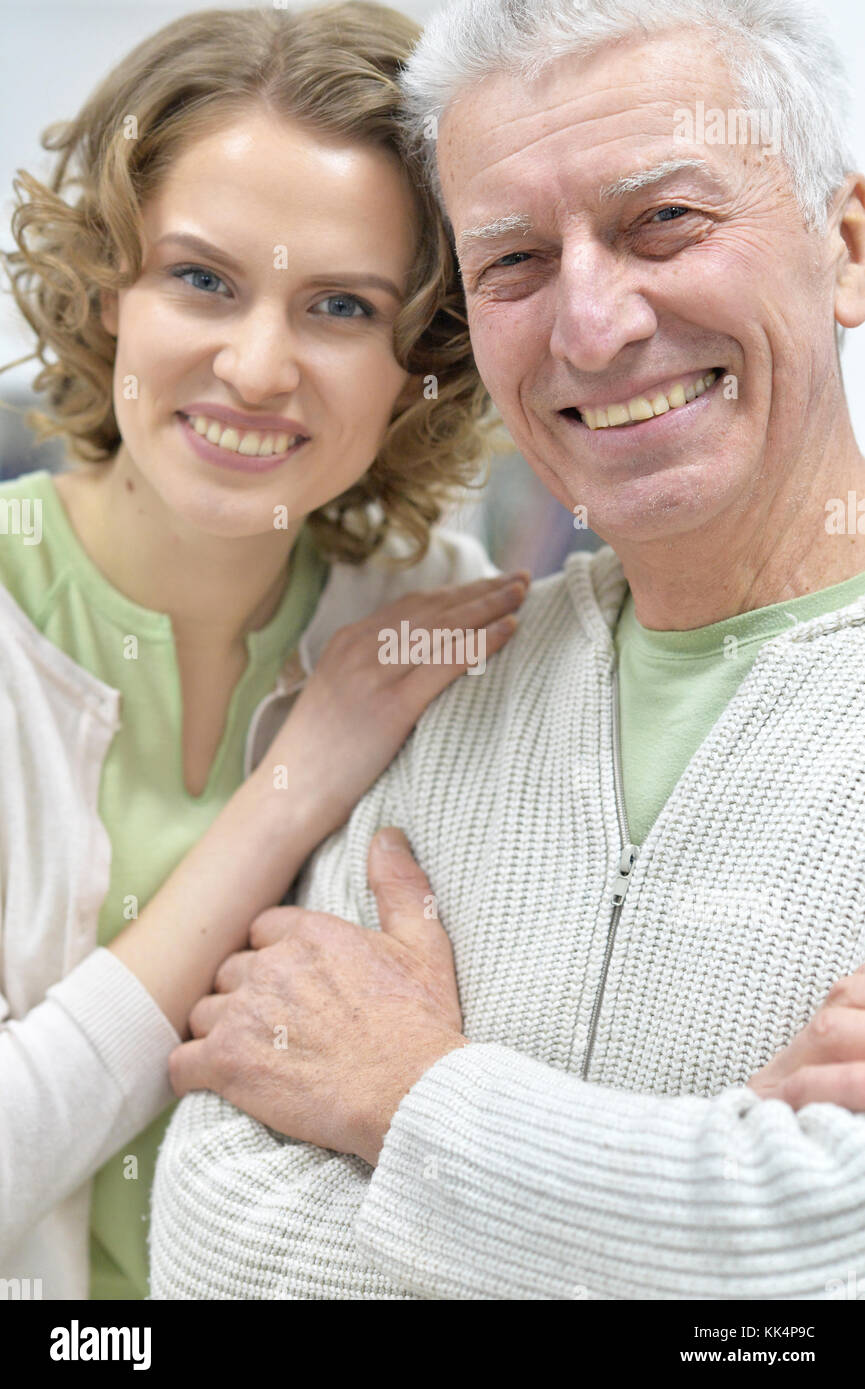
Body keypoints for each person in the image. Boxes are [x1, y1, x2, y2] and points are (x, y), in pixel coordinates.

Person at [152, 0, 865, 1300]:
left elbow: (833, 1256)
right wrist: (701, 1199)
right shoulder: (435, 688)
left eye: (664, 222)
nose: (591, 329)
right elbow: (212, 1243)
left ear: (847, 244)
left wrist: (405, 1094)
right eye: (515, 263)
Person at [0, 2, 529, 1301]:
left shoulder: (443, 628)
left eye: (339, 305)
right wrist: (291, 788)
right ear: (105, 285)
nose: (255, 365)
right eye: (201, 278)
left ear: (422, 357)